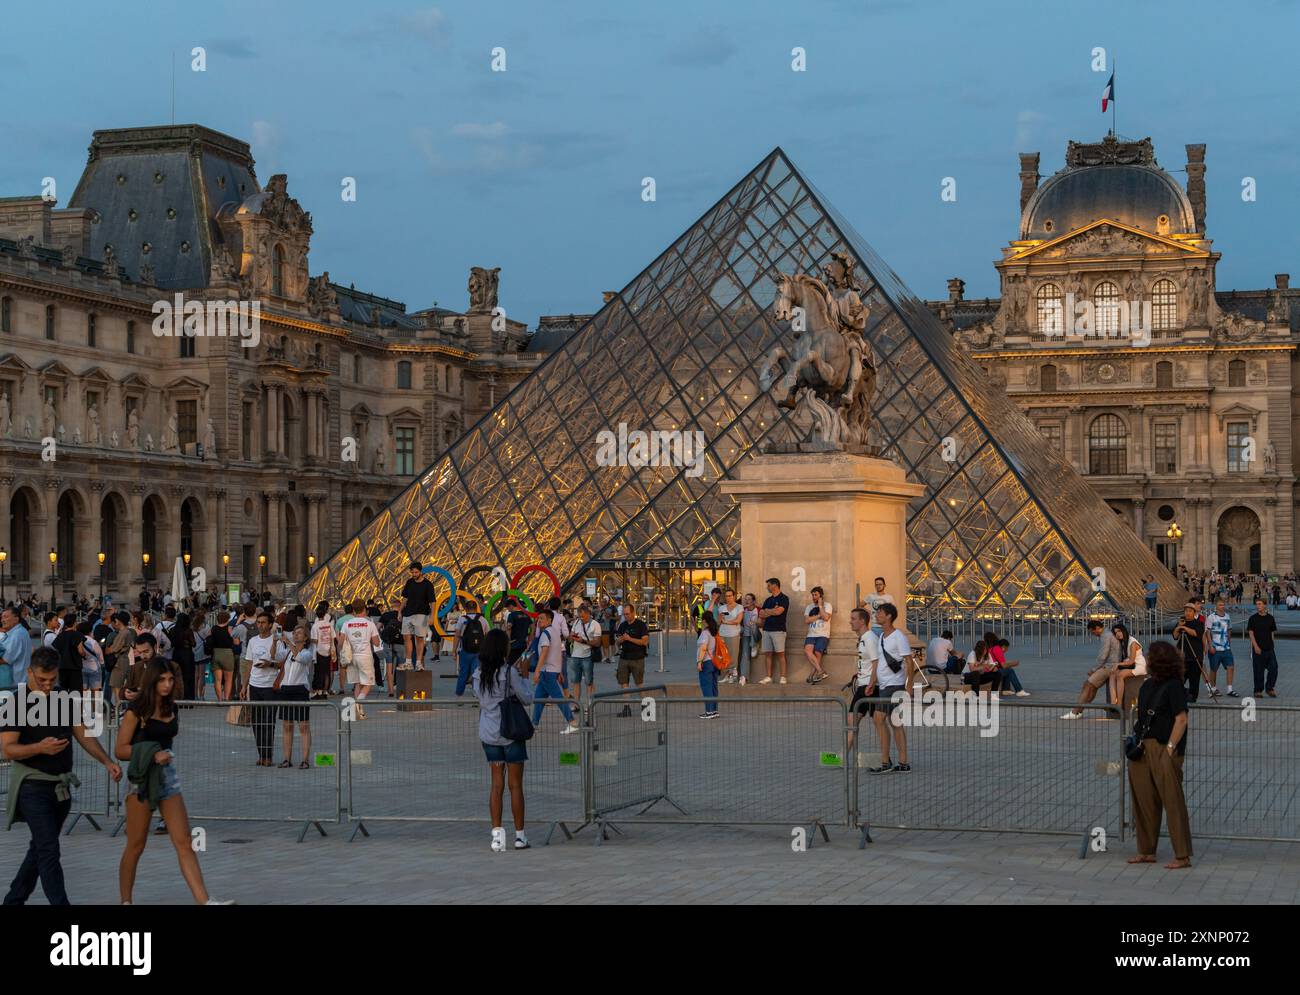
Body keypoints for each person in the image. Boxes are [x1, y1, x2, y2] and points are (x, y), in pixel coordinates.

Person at [2, 647, 123, 905]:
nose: (47, 686)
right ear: (29, 672)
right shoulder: (16, 702)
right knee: (48, 850)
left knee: (40, 849)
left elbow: (83, 735)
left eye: (52, 680)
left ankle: (13, 900)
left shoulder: (65, 699)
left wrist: (107, 762)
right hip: (32, 787)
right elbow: (8, 749)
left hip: (61, 787)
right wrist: (39, 748)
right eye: (41, 680)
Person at [115, 656, 232, 903]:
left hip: (168, 777)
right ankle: (126, 901)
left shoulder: (172, 707)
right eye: (162, 680)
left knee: (185, 841)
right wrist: (150, 753)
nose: (167, 685)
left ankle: (205, 901)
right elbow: (120, 749)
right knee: (136, 845)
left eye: (170, 679)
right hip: (142, 778)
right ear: (151, 681)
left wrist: (162, 756)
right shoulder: (137, 711)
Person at [1126, 640, 1192, 871]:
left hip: (1165, 747)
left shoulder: (1175, 686)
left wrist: (1170, 749)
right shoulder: (1146, 686)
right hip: (1144, 748)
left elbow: (1181, 718)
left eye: (1151, 656)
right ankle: (1146, 851)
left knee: (1173, 802)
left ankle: (1182, 855)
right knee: (1143, 801)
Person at [472, 627, 534, 852]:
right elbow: (527, 698)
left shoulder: (478, 674)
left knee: (496, 784)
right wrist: (525, 676)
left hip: (488, 732)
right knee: (515, 785)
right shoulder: (509, 672)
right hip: (510, 732)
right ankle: (519, 836)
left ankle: (497, 836)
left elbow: (479, 698)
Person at [865, 603, 912, 773]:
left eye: (880, 613)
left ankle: (885, 762)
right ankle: (903, 762)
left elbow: (909, 661)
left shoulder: (898, 636)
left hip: (894, 685)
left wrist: (909, 686)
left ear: (889, 616)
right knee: (895, 723)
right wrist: (873, 682)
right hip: (885, 685)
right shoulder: (882, 637)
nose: (877, 615)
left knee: (878, 719)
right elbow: (880, 663)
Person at [240, 611, 291, 766]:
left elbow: (282, 663)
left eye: (263, 622)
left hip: (270, 685)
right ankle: (261, 754)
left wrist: (270, 664)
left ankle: (268, 756)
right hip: (255, 685)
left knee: (268, 722)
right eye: (258, 622)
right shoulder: (253, 641)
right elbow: (249, 663)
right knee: (256, 722)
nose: (260, 625)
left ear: (270, 624)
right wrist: (244, 685)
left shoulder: (276, 640)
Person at [1062, 619, 1123, 718]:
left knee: (1088, 685)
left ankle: (1075, 712)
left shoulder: (1106, 636)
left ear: (1098, 628)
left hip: (1110, 666)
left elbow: (1103, 655)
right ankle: (1078, 711)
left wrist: (1094, 669)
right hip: (1111, 665)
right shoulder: (1108, 634)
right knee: (1092, 687)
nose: (1093, 634)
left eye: (1093, 631)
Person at [530, 609, 578, 733]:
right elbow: (559, 652)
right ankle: (534, 724)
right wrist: (560, 671)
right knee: (539, 698)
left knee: (558, 698)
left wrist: (537, 671)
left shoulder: (545, 634)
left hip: (547, 671)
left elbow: (544, 653)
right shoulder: (555, 632)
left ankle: (572, 722)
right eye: (538, 618)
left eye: (542, 618)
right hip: (552, 670)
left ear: (549, 620)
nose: (539, 621)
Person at [277, 626, 314, 769]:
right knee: (287, 725)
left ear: (305, 638)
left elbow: (299, 658)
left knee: (303, 726)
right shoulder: (286, 651)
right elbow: (274, 655)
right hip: (286, 689)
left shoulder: (307, 653)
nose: (295, 635)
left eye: (299, 633)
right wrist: (275, 642)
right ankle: (287, 759)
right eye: (294, 633)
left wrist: (289, 642)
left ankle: (305, 760)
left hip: (300, 689)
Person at [339, 601, 381, 717]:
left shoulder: (347, 623)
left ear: (353, 610)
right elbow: (376, 642)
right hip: (365, 656)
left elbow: (340, 642)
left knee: (357, 684)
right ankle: (357, 703)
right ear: (365, 610)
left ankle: (359, 712)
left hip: (351, 657)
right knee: (368, 683)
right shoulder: (369, 623)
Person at [846, 607, 878, 755]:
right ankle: (844, 754)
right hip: (863, 683)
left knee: (878, 723)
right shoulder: (863, 638)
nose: (850, 622)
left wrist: (871, 683)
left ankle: (844, 755)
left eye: (853, 619)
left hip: (868, 686)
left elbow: (876, 662)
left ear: (863, 621)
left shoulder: (870, 638)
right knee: (853, 721)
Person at [613, 602, 649, 716]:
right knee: (624, 683)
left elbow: (644, 641)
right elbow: (617, 641)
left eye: (628, 614)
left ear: (633, 613)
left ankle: (645, 707)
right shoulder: (623, 625)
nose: (626, 616)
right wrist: (621, 640)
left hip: (637, 657)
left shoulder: (641, 625)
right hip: (624, 657)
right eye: (624, 614)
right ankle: (626, 707)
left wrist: (629, 639)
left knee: (639, 683)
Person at [398, 562, 436, 671]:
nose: (414, 574)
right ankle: (408, 662)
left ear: (421, 571)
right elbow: (405, 598)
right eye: (412, 572)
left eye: (416, 572)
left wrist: (432, 616)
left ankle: (418, 663)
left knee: (419, 639)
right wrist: (400, 611)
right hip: (408, 613)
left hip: (421, 614)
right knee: (406, 637)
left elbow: (433, 602)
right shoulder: (409, 582)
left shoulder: (428, 584)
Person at [1170, 602, 1207, 704]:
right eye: (1186, 611)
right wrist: (1179, 626)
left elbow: (1196, 633)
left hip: (1195, 656)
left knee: (1194, 680)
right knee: (1178, 679)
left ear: (1194, 612)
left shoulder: (1199, 623)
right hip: (1182, 656)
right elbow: (1175, 636)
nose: (1187, 613)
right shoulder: (1181, 622)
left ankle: (1192, 697)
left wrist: (1185, 628)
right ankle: (1182, 694)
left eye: (1190, 611)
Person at [1107, 623, 1145, 714]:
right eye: (1115, 633)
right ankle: (1113, 703)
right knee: (1112, 674)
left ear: (1124, 630)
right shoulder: (1123, 642)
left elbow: (1131, 661)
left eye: (1119, 631)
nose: (1118, 634)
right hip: (1130, 665)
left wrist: (1118, 664)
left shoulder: (1133, 643)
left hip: (1138, 665)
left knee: (1120, 675)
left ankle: (1119, 704)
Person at [757, 577, 789, 685]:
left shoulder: (784, 598)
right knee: (768, 654)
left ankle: (783, 677)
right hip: (766, 630)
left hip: (779, 630)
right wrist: (771, 611)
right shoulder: (768, 600)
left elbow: (779, 612)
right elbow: (761, 614)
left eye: (769, 585)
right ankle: (768, 676)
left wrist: (768, 611)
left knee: (781, 654)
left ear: (775, 585)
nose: (767, 587)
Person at [568, 603, 601, 707]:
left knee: (589, 681)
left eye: (583, 616)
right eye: (579, 616)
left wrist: (583, 641)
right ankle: (576, 705)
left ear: (588, 614)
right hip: (575, 656)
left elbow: (597, 642)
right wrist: (572, 637)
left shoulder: (595, 624)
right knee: (575, 681)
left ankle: (590, 704)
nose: (581, 618)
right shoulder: (577, 622)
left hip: (587, 656)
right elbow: (570, 636)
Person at [451, 598, 486, 697]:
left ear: (466, 608)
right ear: (476, 608)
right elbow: (487, 635)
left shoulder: (462, 619)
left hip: (465, 651)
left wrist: (454, 651)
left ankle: (459, 695)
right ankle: (476, 695)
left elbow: (457, 635)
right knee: (477, 674)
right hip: (479, 651)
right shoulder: (482, 619)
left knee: (463, 673)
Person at [1246, 597, 1279, 698]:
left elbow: (1272, 632)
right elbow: (1251, 634)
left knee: (1274, 668)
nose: (1258, 606)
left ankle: (1269, 688)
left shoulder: (1270, 618)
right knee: (1258, 671)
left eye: (1260, 604)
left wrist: (1272, 645)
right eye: (1257, 604)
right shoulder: (1253, 618)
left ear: (1265, 605)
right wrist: (1255, 646)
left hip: (1269, 649)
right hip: (1258, 648)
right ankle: (1258, 690)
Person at [1205, 599, 1238, 697]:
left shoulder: (1227, 616)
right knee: (1214, 669)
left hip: (1226, 648)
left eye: (1223, 604)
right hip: (1215, 648)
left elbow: (1229, 630)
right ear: (1216, 606)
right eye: (1220, 605)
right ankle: (1213, 688)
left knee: (1231, 667)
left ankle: (1229, 689)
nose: (1222, 606)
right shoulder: (1211, 617)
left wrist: (1229, 644)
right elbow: (1208, 632)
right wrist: (1210, 646)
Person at [802, 586, 832, 684]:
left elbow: (826, 617)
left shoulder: (827, 605)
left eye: (816, 595)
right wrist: (819, 616)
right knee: (807, 651)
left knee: (818, 653)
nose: (813, 597)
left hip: (823, 634)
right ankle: (820, 671)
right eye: (813, 595)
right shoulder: (809, 607)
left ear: (821, 596)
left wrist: (820, 606)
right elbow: (807, 620)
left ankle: (812, 676)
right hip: (811, 634)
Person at [1, 605, 34, 689]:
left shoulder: (17, 634)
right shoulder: (16, 632)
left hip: (16, 685)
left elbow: (5, 659)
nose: (2, 620)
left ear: (16, 619)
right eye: (2, 618)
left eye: (6, 617)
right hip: (18, 683)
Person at [717, 589, 745, 684]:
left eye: (730, 596)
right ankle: (725, 675)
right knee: (723, 655)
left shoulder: (739, 607)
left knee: (733, 656)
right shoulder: (721, 608)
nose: (728, 598)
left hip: (733, 634)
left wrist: (727, 622)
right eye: (726, 596)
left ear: (734, 596)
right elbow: (719, 622)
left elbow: (738, 621)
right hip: (722, 634)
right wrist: (720, 619)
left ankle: (732, 676)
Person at [696, 611, 720, 718]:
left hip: (706, 662)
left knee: (706, 687)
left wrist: (699, 662)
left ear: (705, 620)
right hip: (714, 662)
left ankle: (709, 711)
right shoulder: (715, 632)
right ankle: (714, 710)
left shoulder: (705, 633)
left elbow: (703, 648)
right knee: (714, 687)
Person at [309, 604, 334, 701]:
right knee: (326, 672)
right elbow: (333, 637)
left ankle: (318, 691)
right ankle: (324, 691)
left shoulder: (315, 626)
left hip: (318, 651)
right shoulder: (329, 624)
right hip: (327, 650)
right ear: (325, 614)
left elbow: (314, 640)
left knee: (318, 672)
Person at [170, 613, 197, 701]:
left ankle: (178, 697)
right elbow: (193, 644)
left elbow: (172, 643)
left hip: (176, 653)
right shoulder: (188, 630)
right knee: (188, 677)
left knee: (177, 676)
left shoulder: (173, 630)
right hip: (187, 654)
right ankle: (188, 698)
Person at [77, 620, 105, 704]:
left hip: (82, 668)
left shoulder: (77, 641)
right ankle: (95, 713)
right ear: (90, 631)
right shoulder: (93, 642)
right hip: (94, 669)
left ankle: (83, 712)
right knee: (95, 692)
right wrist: (102, 664)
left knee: (83, 692)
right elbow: (100, 655)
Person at [504, 598, 533, 667]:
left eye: (508, 608)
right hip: (523, 644)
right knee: (522, 664)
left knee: (510, 665)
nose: (508, 610)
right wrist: (530, 637)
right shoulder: (526, 615)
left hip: (514, 644)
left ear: (511, 606)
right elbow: (533, 626)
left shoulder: (511, 615)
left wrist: (508, 641)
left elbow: (509, 628)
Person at [739, 593, 760, 685]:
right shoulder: (743, 610)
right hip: (746, 636)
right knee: (745, 655)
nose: (747, 601)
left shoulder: (758, 610)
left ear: (753, 601)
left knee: (753, 625)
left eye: (749, 599)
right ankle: (744, 677)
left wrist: (755, 622)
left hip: (756, 634)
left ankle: (754, 644)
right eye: (745, 599)